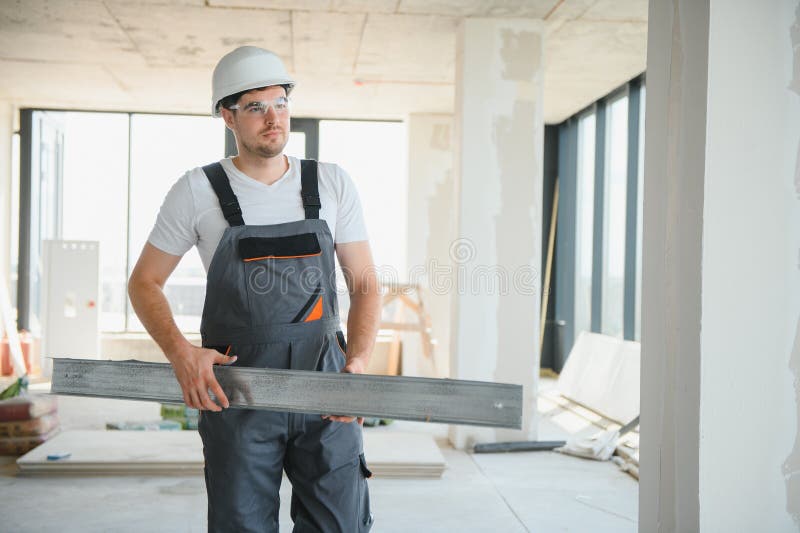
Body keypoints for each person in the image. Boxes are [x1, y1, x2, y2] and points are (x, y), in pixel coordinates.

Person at [127, 45, 380, 532]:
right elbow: (144, 282)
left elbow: (366, 283)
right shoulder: (197, 191)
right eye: (256, 107)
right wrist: (181, 352)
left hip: (325, 383)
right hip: (237, 390)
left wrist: (360, 364)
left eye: (280, 103)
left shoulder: (331, 183)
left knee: (342, 524)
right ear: (227, 116)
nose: (273, 118)